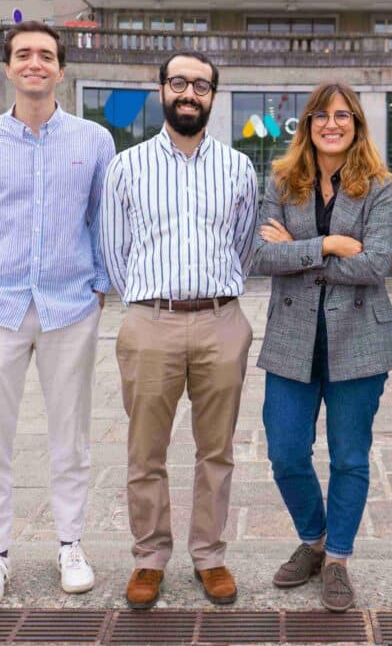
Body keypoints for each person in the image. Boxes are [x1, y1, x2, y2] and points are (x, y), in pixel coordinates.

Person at [0, 21, 113, 609]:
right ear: (8, 68)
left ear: (61, 70)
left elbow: (102, 222)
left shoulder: (94, 141)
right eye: (23, 54)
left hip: (70, 308)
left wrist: (99, 286)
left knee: (72, 437)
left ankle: (71, 544)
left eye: (45, 55)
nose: (34, 62)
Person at [100, 50, 257, 610]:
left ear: (214, 95)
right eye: (179, 83)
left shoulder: (238, 168)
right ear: (162, 89)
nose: (190, 94)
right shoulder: (127, 166)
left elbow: (242, 245)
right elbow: (114, 251)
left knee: (216, 450)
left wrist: (218, 301)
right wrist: (148, 305)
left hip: (221, 321)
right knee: (146, 452)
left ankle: (210, 556)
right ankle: (149, 558)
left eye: (202, 85)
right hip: (150, 321)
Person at [252, 82, 392, 613]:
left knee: (349, 457)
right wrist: (332, 245)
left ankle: (336, 557)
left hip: (359, 338)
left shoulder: (379, 186)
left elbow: (375, 265)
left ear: (357, 123)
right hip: (291, 338)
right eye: (320, 116)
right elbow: (259, 257)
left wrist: (298, 251)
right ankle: (312, 539)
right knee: (286, 452)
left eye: (342, 116)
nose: (331, 124)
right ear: (307, 124)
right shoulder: (282, 181)